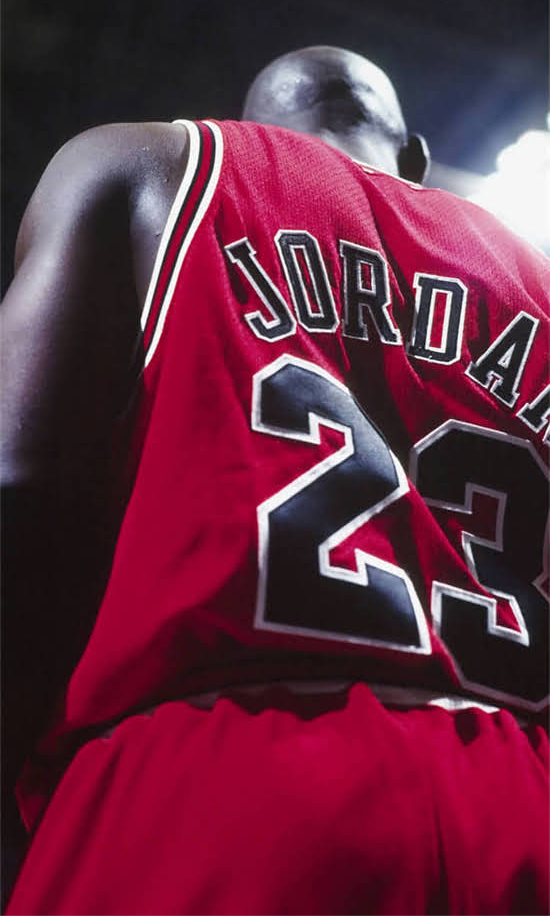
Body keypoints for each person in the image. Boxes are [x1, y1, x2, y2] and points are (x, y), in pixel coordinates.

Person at [2, 45, 548, 915]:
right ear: (416, 158)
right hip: (521, 795)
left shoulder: (153, 165)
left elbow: (13, 483)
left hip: (223, 765)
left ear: (249, 127)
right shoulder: (540, 282)